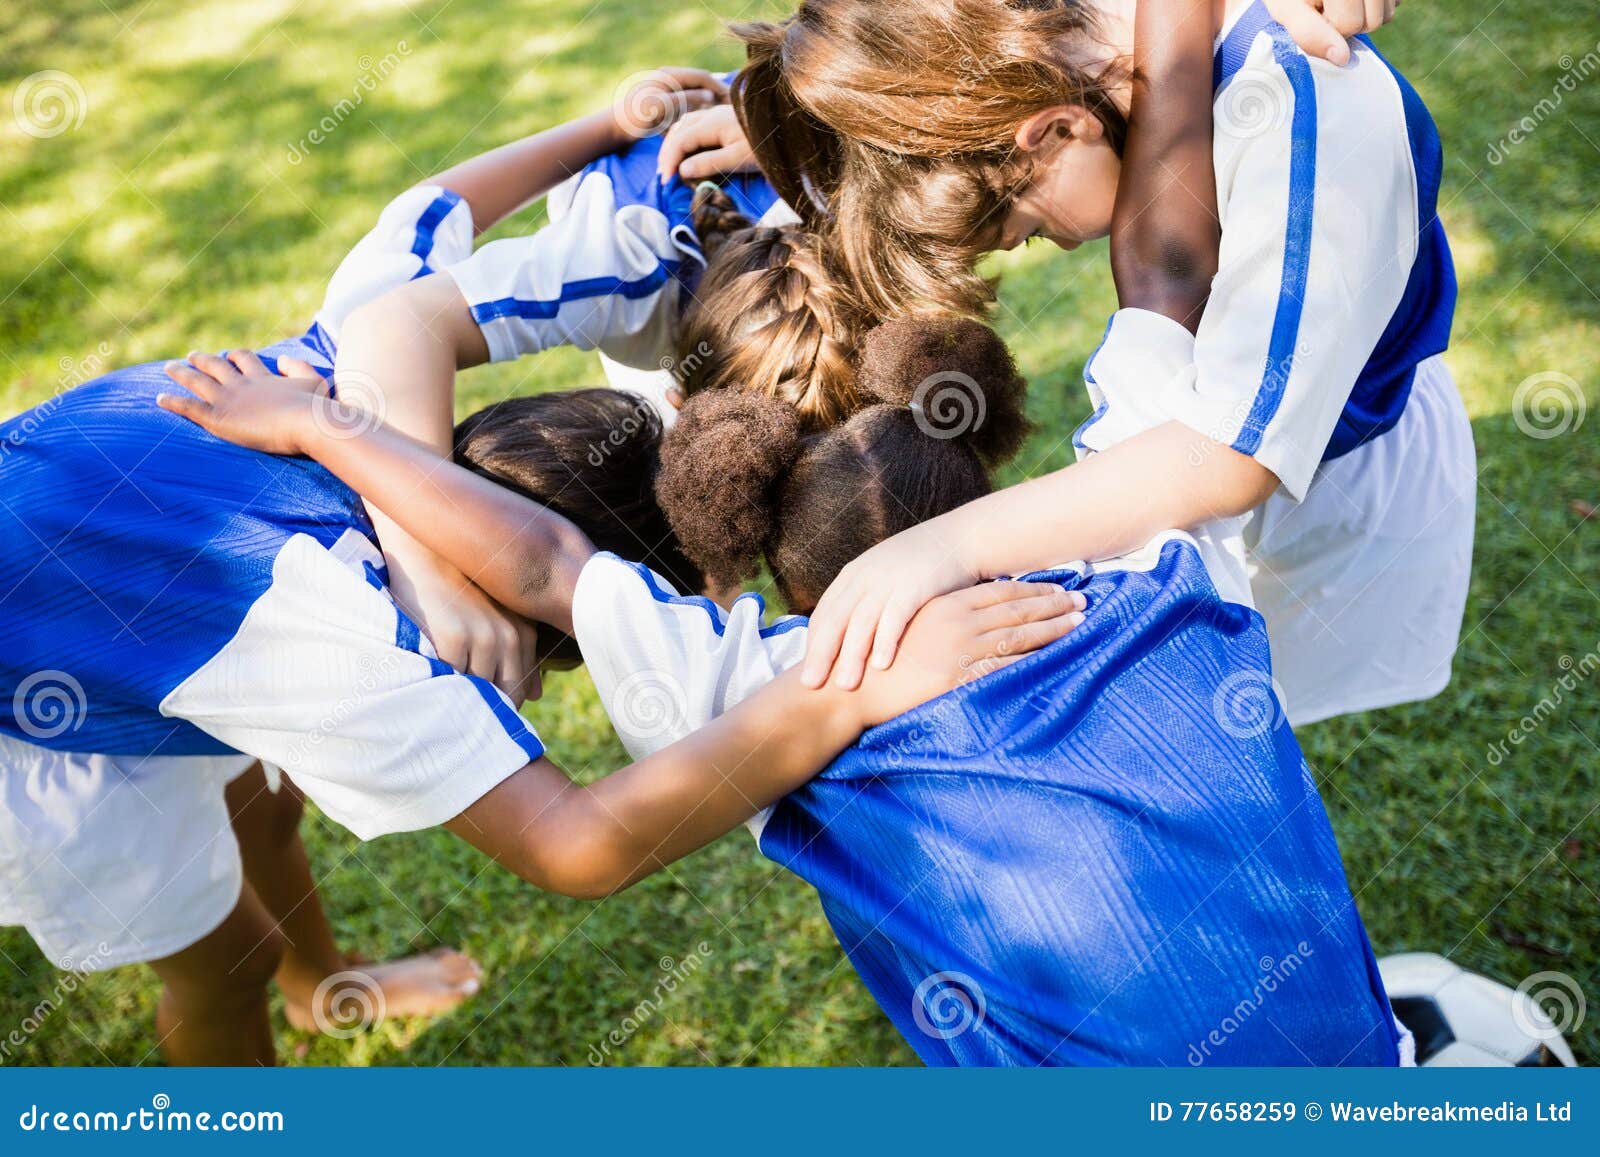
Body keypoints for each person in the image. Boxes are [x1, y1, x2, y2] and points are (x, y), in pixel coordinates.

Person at [168, 1, 1407, 1063]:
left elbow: (550, 568)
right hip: (1357, 1051)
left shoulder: (783, 690)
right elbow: (1165, 277)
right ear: (970, 455)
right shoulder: (1149, 548)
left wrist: (335, 433)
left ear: (752, 542)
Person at [2, 68, 1063, 1065]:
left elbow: (430, 203)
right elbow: (577, 847)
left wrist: (601, 128)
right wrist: (848, 692)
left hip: (98, 581)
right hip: (31, 715)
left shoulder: (342, 390)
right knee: (216, 954)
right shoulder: (357, 641)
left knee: (262, 799)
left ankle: (320, 981)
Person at [665, 0, 1474, 734]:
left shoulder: (1310, 113)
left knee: (1249, 706)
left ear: (1052, 131)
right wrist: (844, 136)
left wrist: (944, 546)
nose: (1041, 245)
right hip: (1204, 460)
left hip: (1338, 482)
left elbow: (1230, 454)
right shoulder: (1083, 48)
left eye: (1024, 230)